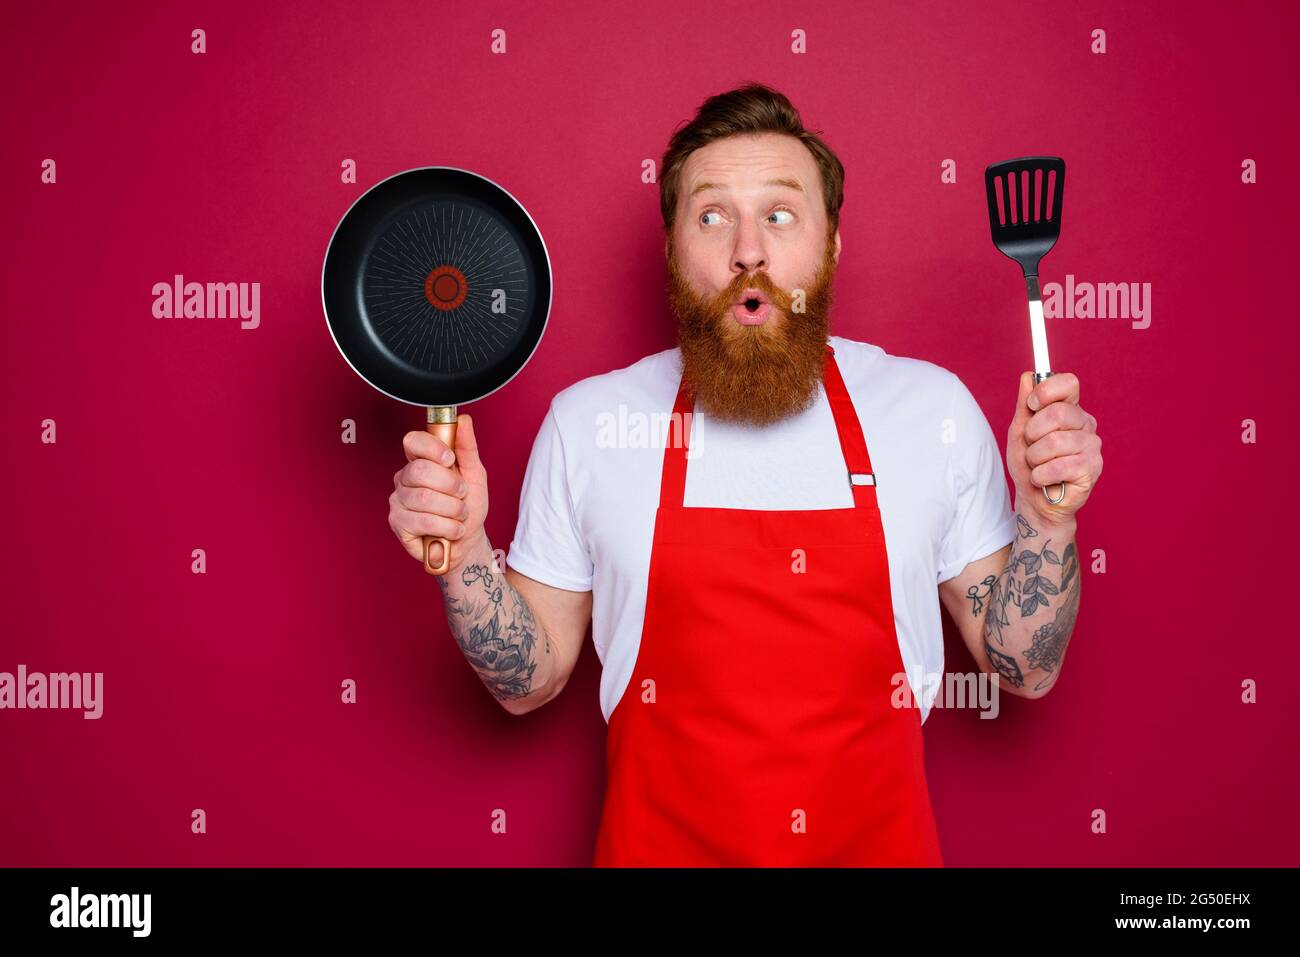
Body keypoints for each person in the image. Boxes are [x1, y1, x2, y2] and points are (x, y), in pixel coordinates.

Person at [387, 83, 1103, 867]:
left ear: (832, 245)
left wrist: (1045, 518)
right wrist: (461, 556)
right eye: (713, 215)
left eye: (782, 214)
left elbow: (1024, 668)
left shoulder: (928, 411)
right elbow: (527, 680)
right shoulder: (591, 423)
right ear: (673, 247)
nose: (748, 250)